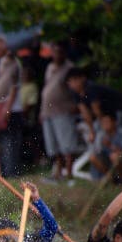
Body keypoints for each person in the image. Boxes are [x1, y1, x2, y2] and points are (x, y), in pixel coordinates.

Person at [0, 35, 24, 177]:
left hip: (11, 108)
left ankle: (12, 172)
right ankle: (6, 171)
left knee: (10, 141)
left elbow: (14, 86)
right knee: (2, 141)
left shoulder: (12, 62)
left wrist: (7, 108)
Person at [40, 42, 79, 180]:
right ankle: (57, 173)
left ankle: (69, 174)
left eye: (59, 52)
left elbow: (75, 90)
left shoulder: (69, 68)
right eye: (54, 52)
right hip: (48, 111)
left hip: (63, 111)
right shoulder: (50, 67)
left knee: (67, 145)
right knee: (54, 146)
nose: (57, 55)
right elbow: (46, 88)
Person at [65, 67, 122, 143]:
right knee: (100, 132)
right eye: (70, 82)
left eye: (74, 80)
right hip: (106, 113)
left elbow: (96, 109)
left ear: (82, 78)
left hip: (119, 108)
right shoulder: (76, 93)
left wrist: (104, 127)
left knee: (117, 130)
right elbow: (85, 113)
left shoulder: (91, 87)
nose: (72, 84)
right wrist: (92, 131)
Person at [89, 109, 122, 182]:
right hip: (108, 160)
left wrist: (110, 146)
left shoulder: (121, 133)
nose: (105, 125)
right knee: (92, 157)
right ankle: (109, 177)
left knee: (114, 156)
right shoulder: (101, 135)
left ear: (114, 122)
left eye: (107, 122)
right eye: (103, 123)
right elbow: (97, 151)